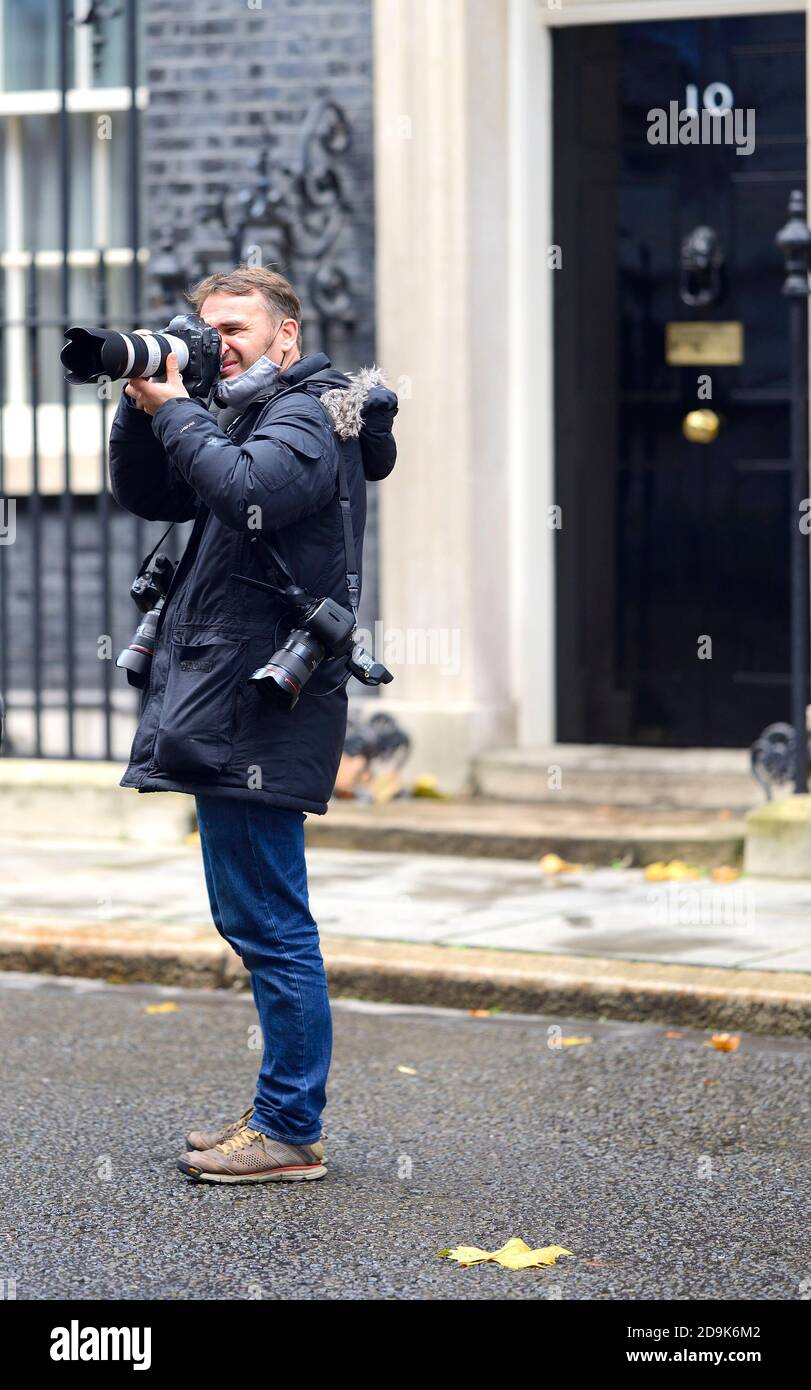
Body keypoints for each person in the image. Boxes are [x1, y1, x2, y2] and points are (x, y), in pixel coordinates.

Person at [109, 265, 398, 1184]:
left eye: (233, 328)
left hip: (264, 707)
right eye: (205, 327)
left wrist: (179, 410)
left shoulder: (311, 415)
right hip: (224, 698)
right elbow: (151, 495)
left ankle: (289, 1129)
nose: (214, 342)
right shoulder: (234, 409)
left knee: (272, 920)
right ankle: (280, 1109)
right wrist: (142, 399)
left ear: (285, 334)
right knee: (250, 914)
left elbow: (246, 494)